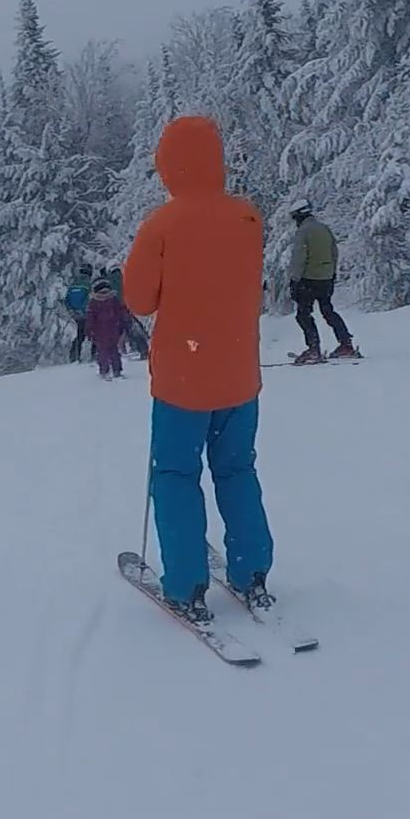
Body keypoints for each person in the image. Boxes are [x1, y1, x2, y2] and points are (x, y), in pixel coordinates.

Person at [122, 115, 276, 623]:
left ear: (168, 165)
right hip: (238, 375)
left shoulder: (162, 225)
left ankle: (186, 584)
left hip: (182, 381)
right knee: (237, 469)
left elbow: (139, 300)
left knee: (175, 474)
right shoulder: (247, 219)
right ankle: (251, 571)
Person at [285, 199, 359, 364]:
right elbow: (334, 252)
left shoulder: (303, 232)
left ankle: (313, 349)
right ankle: (346, 344)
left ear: (298, 216)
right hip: (326, 278)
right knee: (328, 311)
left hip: (308, 279)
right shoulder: (324, 229)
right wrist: (331, 273)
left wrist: (295, 280)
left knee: (303, 314)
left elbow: (299, 258)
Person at [84, 279, 131, 380]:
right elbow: (121, 313)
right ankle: (117, 370)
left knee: (102, 351)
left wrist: (89, 331)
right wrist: (123, 325)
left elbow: (90, 318)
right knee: (114, 350)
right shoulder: (113, 300)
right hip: (114, 329)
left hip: (99, 331)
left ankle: (104, 370)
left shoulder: (94, 302)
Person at [63, 265, 93, 362]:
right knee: (96, 333)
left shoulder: (72, 285)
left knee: (80, 335)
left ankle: (74, 356)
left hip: (76, 315)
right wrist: (83, 310)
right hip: (87, 313)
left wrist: (71, 311)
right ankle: (95, 355)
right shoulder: (89, 285)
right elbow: (89, 298)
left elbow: (66, 299)